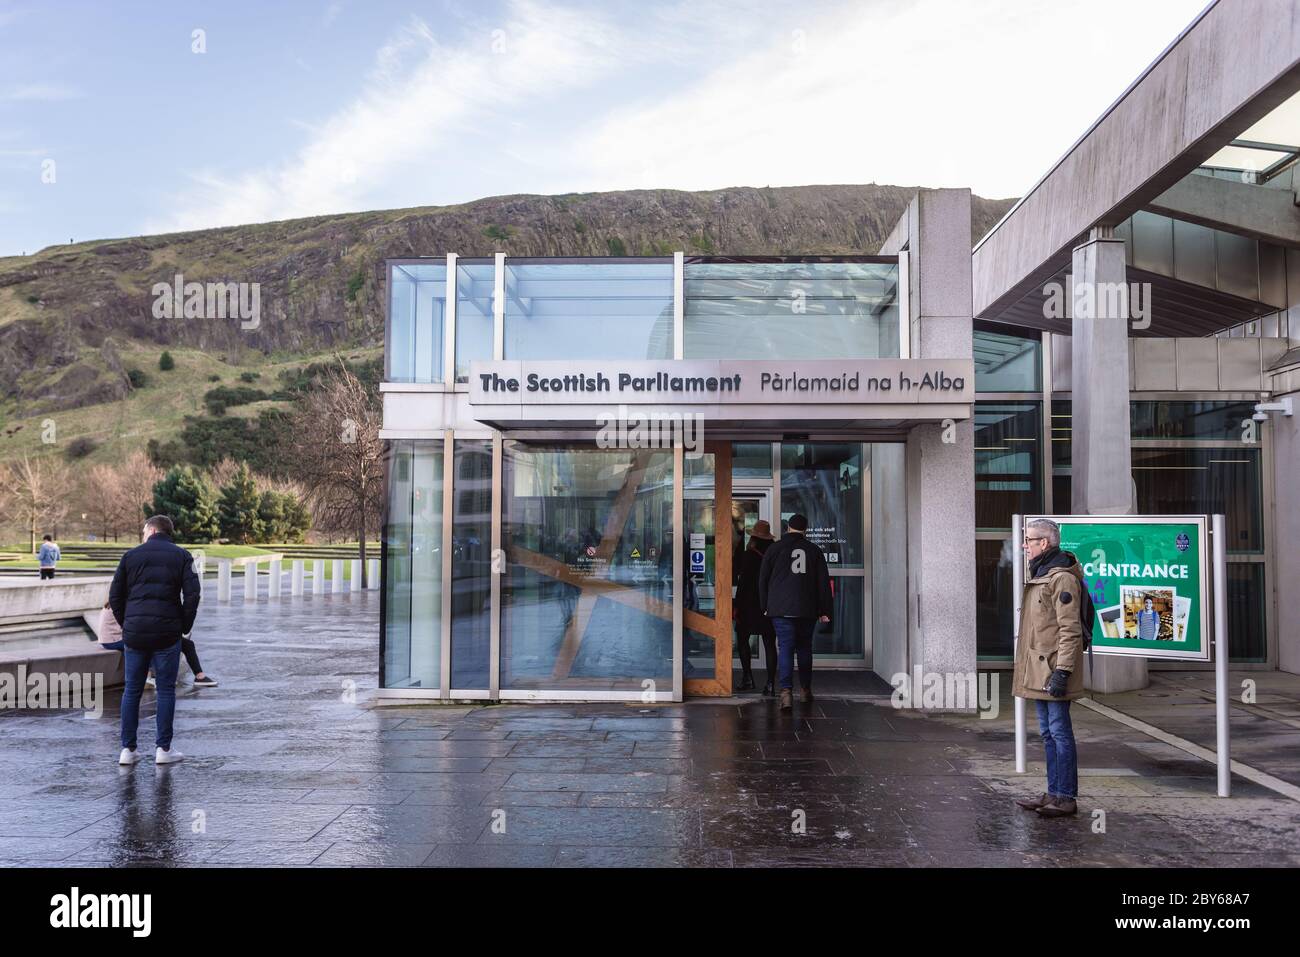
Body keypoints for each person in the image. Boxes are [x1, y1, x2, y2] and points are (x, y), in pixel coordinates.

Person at [109, 515, 201, 766]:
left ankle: (127, 750)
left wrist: (127, 623)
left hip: (135, 632)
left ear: (150, 530)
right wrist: (184, 625)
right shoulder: (182, 556)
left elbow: (115, 596)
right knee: (166, 689)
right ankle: (164, 748)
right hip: (167, 631)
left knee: (132, 689)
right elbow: (192, 594)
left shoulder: (130, 556)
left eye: (142, 531)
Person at [1013, 518, 1086, 818]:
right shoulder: (1042, 574)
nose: (1024, 545)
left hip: (1053, 669)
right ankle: (1054, 792)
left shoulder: (1061, 579)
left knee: (1059, 732)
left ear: (1044, 543)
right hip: (1039, 669)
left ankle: (1066, 797)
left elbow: (1070, 630)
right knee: (1047, 733)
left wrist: (1063, 672)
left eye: (1028, 540)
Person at [757, 513, 832, 711]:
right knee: (805, 648)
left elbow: (762, 580)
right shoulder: (814, 550)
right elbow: (823, 584)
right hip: (807, 608)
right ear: (805, 529)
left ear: (788, 527)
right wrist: (825, 610)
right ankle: (806, 691)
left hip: (780, 609)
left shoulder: (774, 548)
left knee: (786, 649)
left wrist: (765, 606)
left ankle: (786, 693)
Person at [733, 520, 777, 694]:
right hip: (769, 605)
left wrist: (737, 605)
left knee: (742, 639)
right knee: (769, 644)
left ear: (754, 537)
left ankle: (747, 677)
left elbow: (742, 582)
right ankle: (771, 683)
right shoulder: (775, 554)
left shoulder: (749, 555)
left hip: (749, 605)